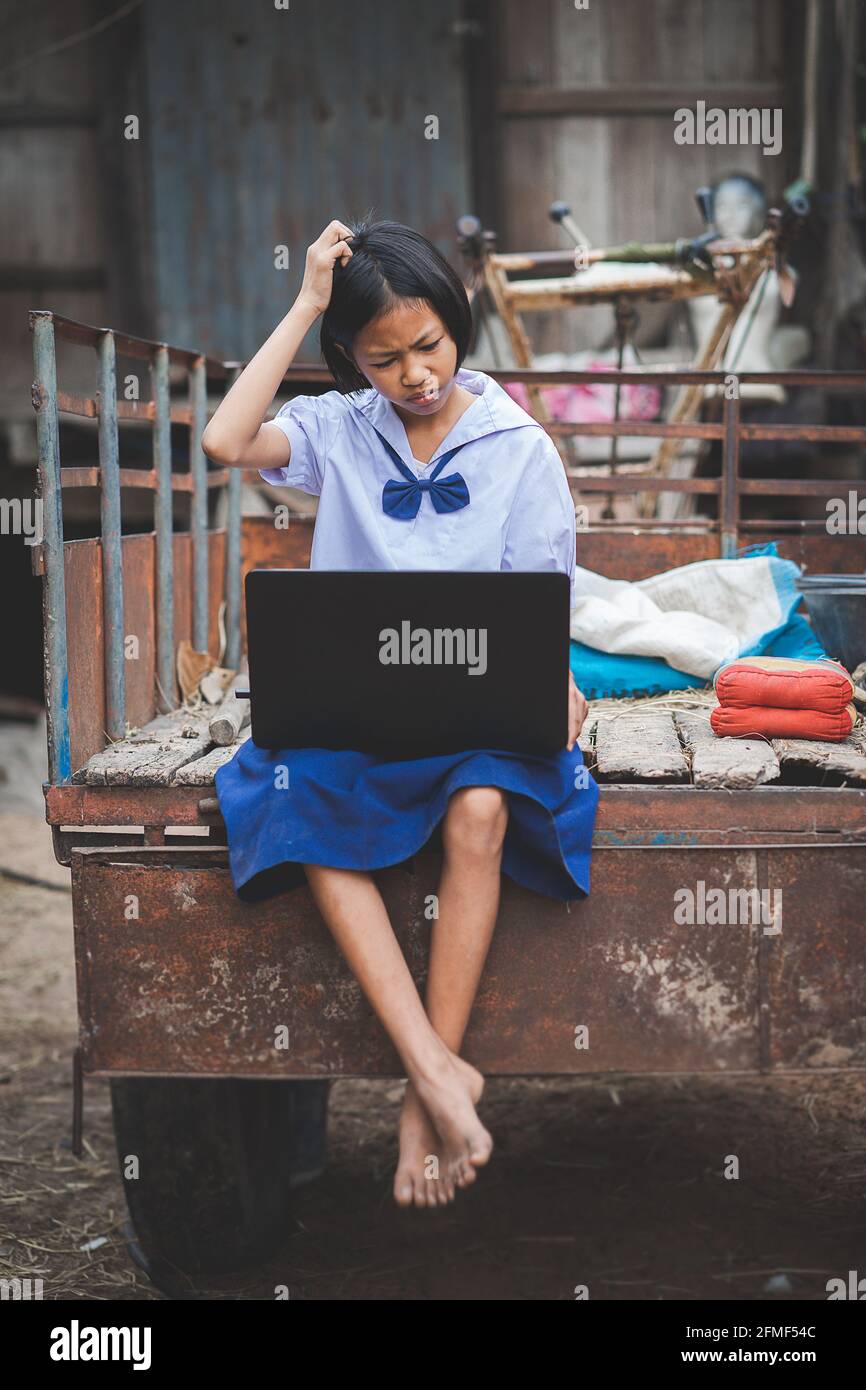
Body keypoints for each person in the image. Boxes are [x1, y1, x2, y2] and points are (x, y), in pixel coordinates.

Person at [202, 218, 599, 1210]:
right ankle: (431, 1070)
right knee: (294, 794)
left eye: (428, 346)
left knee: (479, 812)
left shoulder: (518, 448)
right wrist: (304, 302)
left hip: (474, 713)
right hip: (360, 713)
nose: (414, 375)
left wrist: (546, 687)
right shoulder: (338, 429)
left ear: (457, 325)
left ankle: (424, 1102)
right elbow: (223, 440)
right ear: (349, 359)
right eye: (383, 359)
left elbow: (532, 617)